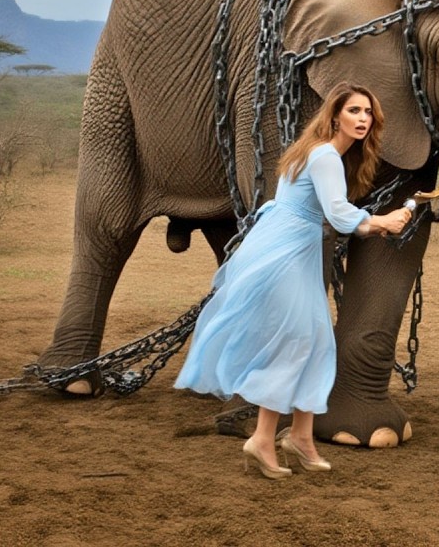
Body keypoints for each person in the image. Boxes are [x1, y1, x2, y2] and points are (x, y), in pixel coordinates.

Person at [174, 83, 413, 479]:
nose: (363, 119)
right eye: (354, 111)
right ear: (335, 116)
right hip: (287, 255)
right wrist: (381, 221)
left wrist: (371, 221)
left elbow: (329, 211)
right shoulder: (324, 157)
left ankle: (300, 438)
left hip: (290, 249)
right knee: (296, 343)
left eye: (368, 113)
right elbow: (337, 215)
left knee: (317, 342)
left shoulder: (316, 152)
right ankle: (263, 439)